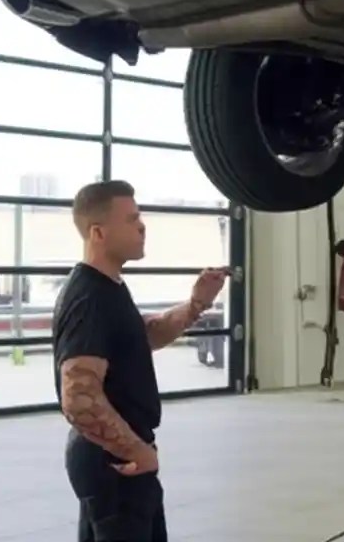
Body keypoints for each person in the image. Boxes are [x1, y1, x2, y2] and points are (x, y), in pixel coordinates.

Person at [51, 179, 228, 542]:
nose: (142, 226)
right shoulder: (90, 298)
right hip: (116, 463)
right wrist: (137, 452)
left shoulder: (109, 287)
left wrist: (196, 305)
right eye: (131, 219)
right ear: (98, 232)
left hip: (115, 458)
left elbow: (144, 335)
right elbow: (78, 398)